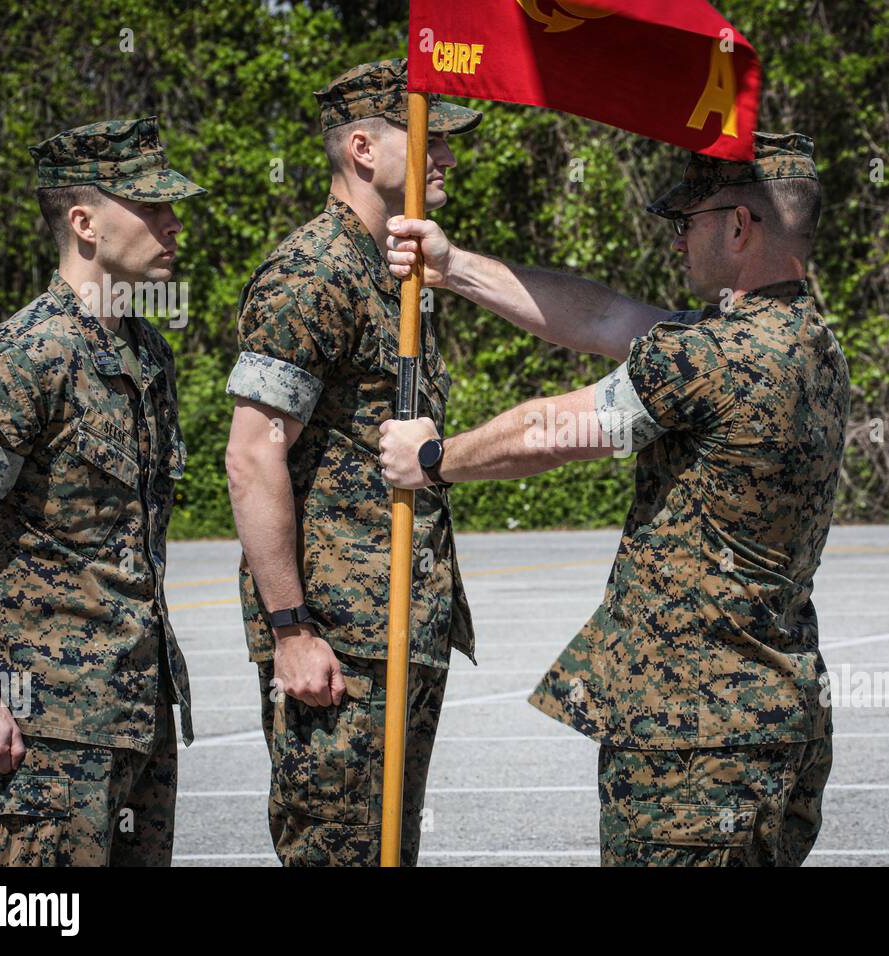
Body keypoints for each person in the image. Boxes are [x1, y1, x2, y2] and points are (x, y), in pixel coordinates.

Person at [378, 132, 848, 866]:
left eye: (688, 221)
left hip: (692, 741)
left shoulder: (707, 357)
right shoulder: (809, 343)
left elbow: (551, 433)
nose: (678, 239)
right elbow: (602, 318)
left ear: (738, 226)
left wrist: (433, 459)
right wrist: (455, 266)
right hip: (777, 720)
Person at [223, 58, 480, 866]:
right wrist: (291, 629)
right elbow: (251, 456)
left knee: (387, 850)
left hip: (397, 628)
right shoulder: (313, 271)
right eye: (429, 137)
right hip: (339, 642)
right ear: (363, 150)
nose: (447, 155)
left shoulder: (391, 269)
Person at [0, 116, 204, 865]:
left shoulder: (147, 352)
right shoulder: (23, 359)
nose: (172, 224)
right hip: (40, 731)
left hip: (135, 715)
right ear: (85, 223)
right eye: (151, 206)